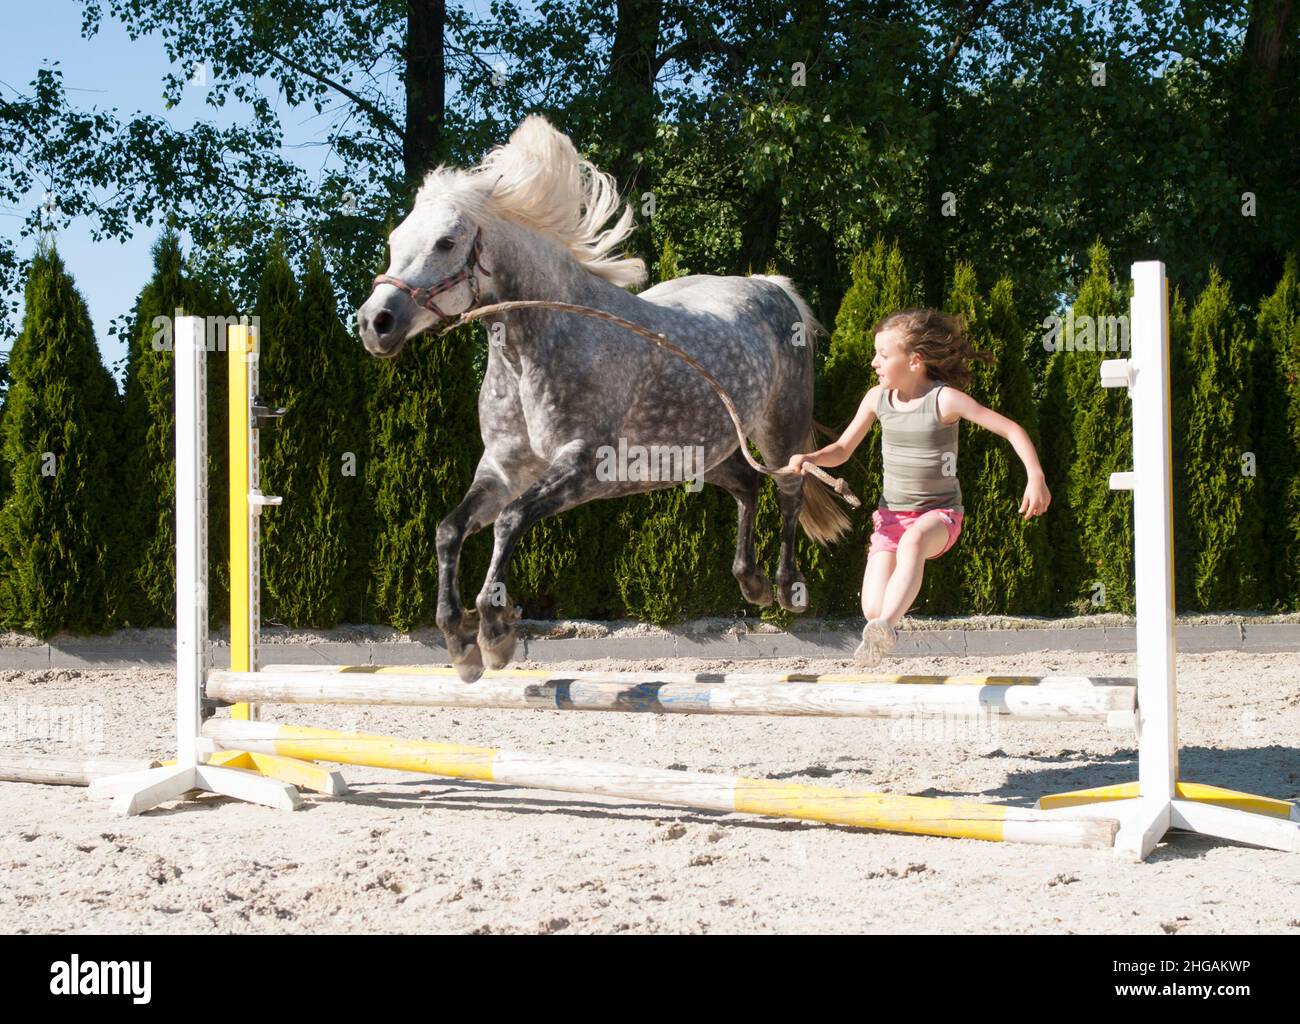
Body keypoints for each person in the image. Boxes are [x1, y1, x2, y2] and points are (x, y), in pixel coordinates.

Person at [784, 309, 1051, 666]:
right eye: (875, 353)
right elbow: (843, 449)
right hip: (890, 518)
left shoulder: (944, 400)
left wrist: (1035, 476)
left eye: (883, 354)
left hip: (939, 517)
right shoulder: (876, 399)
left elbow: (1012, 429)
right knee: (873, 608)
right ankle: (882, 625)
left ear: (914, 360)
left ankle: (886, 632)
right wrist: (810, 457)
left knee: (911, 548)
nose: (874, 362)